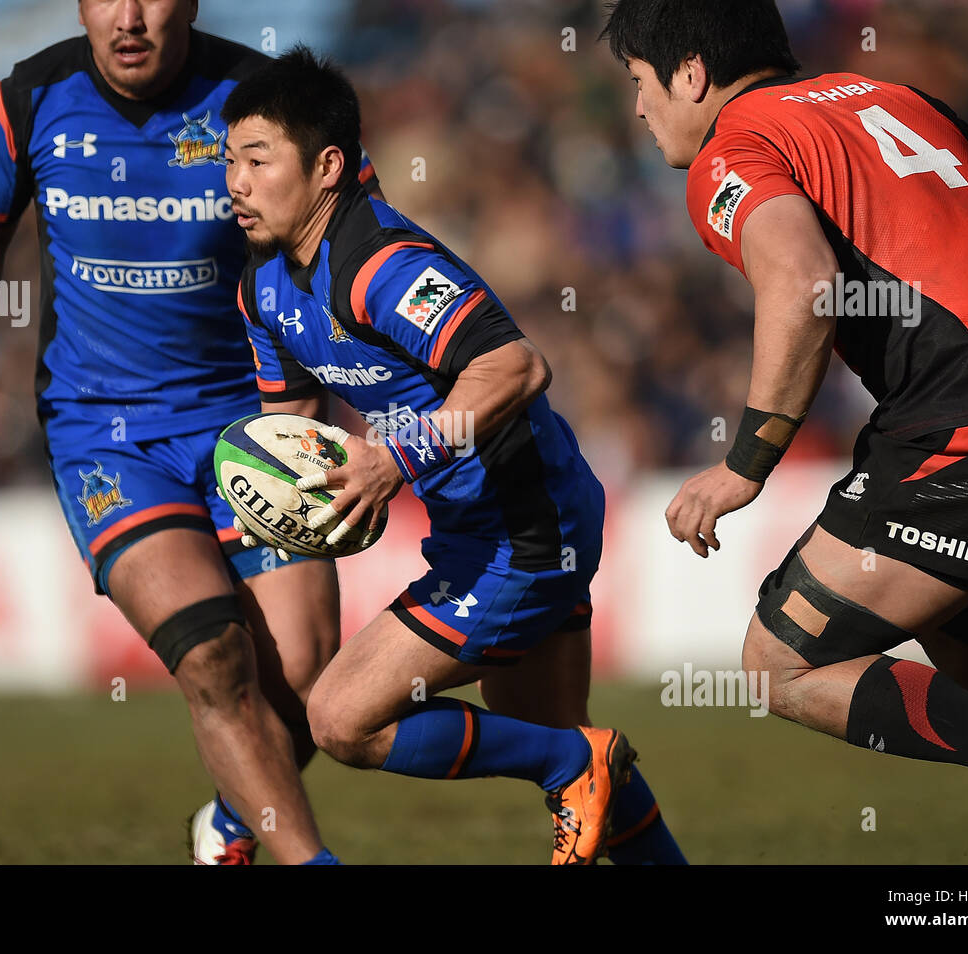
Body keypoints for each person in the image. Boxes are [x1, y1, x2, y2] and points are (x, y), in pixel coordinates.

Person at [0, 0, 379, 865]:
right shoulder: (23, 102)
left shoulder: (259, 99)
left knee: (310, 682)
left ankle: (230, 825)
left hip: (257, 422)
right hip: (105, 433)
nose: (128, 17)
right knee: (213, 660)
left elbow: (348, 239)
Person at [602, 0, 968, 864]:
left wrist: (746, 464)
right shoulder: (896, 94)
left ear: (692, 73)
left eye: (639, 82)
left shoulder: (736, 146)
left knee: (783, 664)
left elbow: (805, 278)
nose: (638, 107)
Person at [222, 45, 685, 865]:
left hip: (527, 529)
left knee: (342, 718)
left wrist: (395, 459)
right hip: (484, 530)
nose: (238, 183)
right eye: (230, 162)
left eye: (258, 161)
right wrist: (270, 514)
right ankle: (585, 769)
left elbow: (516, 364)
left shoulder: (382, 266)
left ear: (327, 166)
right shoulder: (264, 287)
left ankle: (572, 765)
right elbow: (289, 427)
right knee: (567, 745)